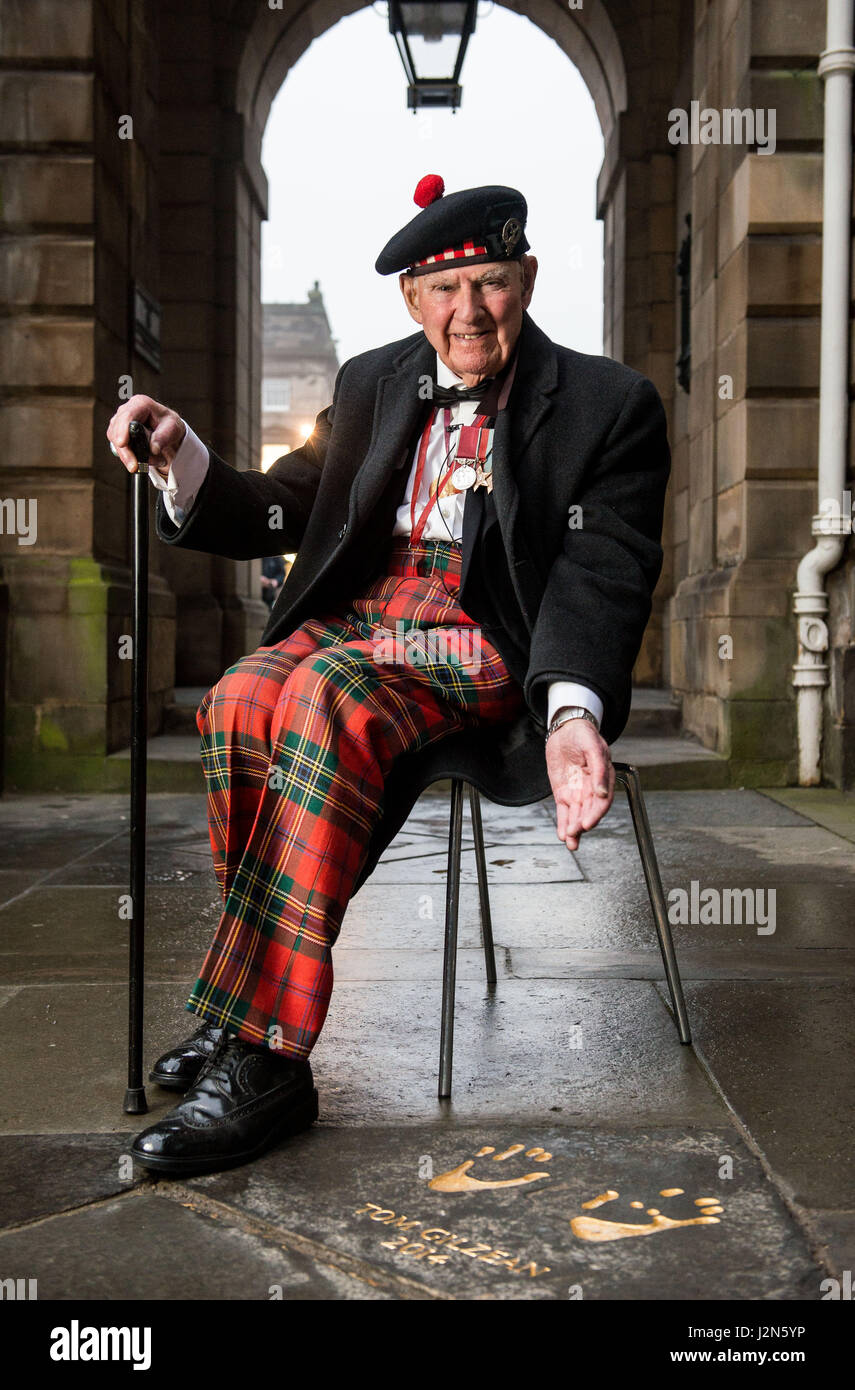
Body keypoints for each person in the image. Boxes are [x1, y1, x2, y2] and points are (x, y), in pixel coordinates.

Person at [106, 176, 670, 1176]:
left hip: (481, 637)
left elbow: (601, 570)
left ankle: (265, 1053)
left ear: (526, 279)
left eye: (491, 284)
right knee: (240, 695)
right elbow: (283, 504)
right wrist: (177, 453)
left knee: (324, 699)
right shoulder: (373, 381)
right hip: (360, 619)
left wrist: (574, 712)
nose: (469, 313)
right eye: (445, 292)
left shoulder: (607, 404)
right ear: (414, 299)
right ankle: (250, 1008)